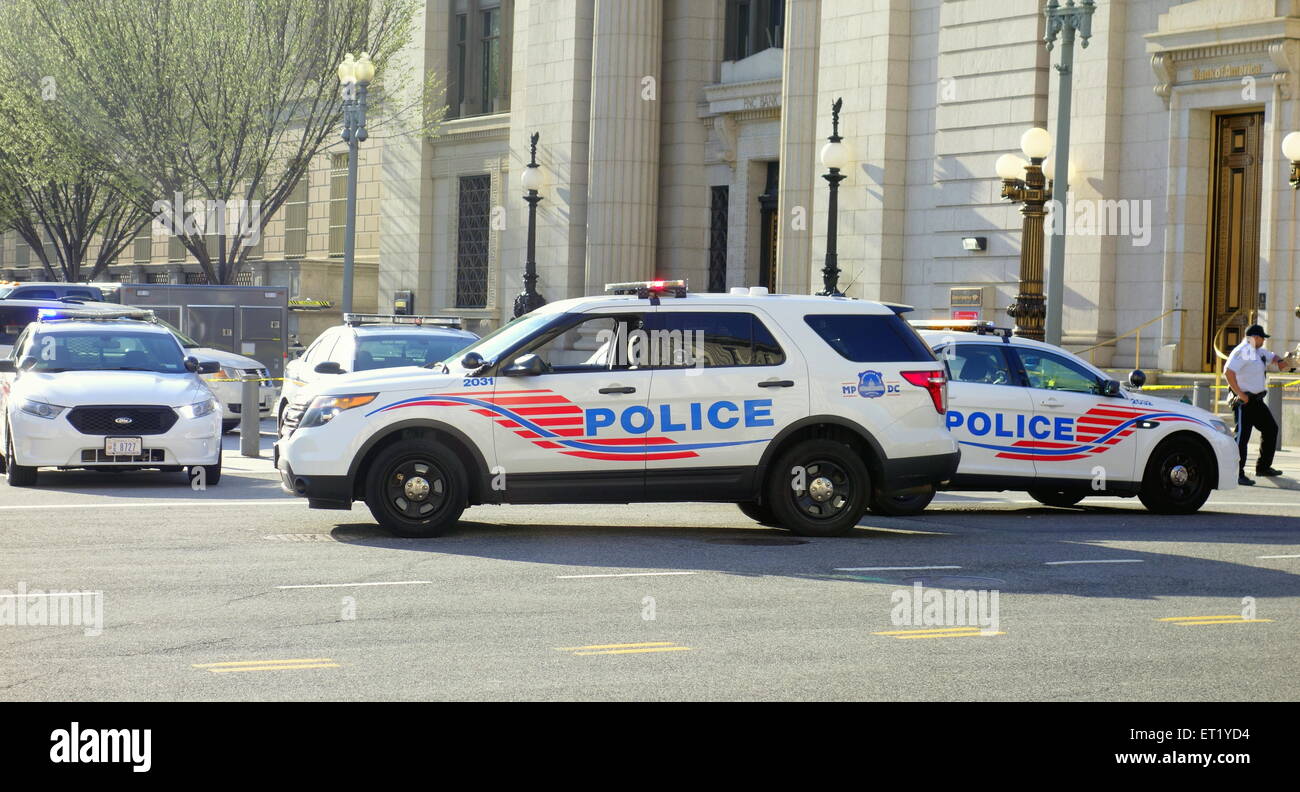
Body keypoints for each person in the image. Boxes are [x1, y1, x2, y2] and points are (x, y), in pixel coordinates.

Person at [1225, 325, 1296, 485]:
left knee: (1271, 429)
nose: (1264, 340)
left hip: (1256, 401)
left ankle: (1263, 467)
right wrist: (1240, 394)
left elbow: (1274, 358)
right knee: (1242, 438)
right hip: (1244, 402)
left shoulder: (1257, 351)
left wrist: (1284, 360)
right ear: (1254, 338)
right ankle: (1236, 474)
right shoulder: (1244, 350)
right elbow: (1228, 372)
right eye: (1262, 338)